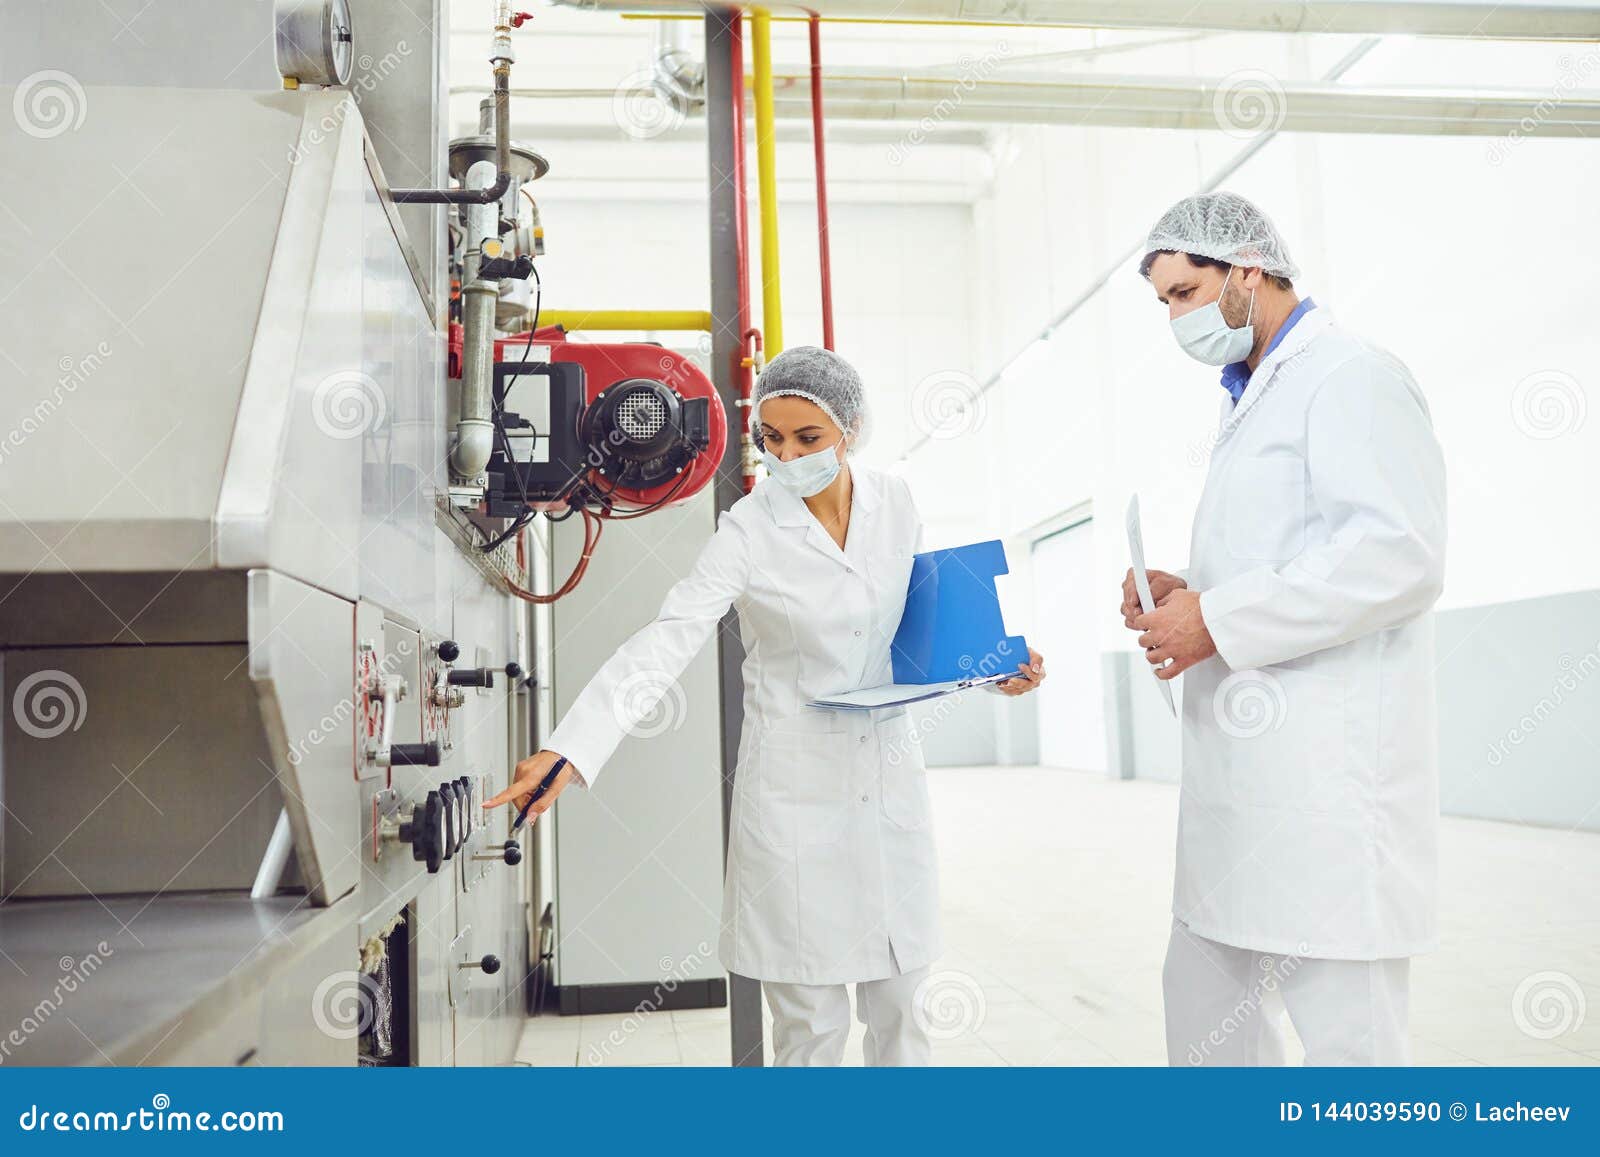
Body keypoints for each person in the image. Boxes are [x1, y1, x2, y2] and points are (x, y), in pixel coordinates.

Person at [488, 346, 1045, 1066]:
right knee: (810, 1028)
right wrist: (576, 744)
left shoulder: (896, 502)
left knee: (902, 1010)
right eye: (772, 439)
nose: (787, 456)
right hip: (793, 797)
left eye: (807, 439)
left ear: (852, 429)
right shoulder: (749, 528)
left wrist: (993, 668)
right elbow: (670, 635)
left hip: (886, 784)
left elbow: (922, 625)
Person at [1123, 192, 1446, 1066]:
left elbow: (1399, 554)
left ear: (1249, 273)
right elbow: (1293, 556)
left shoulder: (1351, 374)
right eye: (1164, 303)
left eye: (1185, 293)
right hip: (1240, 802)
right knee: (1204, 1030)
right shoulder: (1252, 395)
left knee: (1352, 1058)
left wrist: (1217, 620)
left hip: (1327, 803)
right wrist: (1188, 596)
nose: (1175, 318)